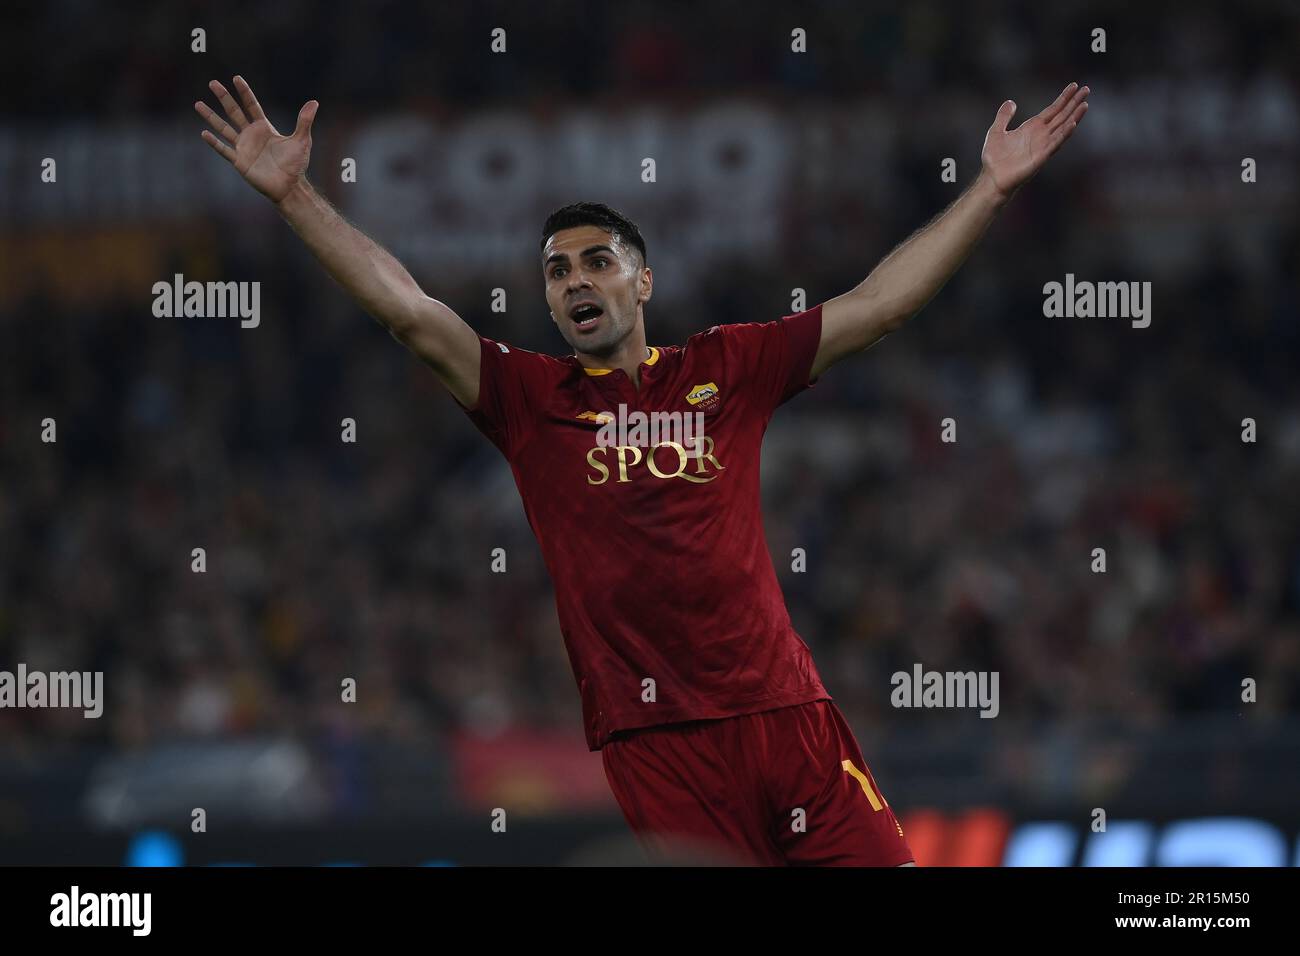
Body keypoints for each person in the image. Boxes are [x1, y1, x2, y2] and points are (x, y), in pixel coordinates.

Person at [195, 75, 1088, 865]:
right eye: (555, 272)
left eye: (595, 261)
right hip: (657, 743)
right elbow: (410, 312)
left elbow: (880, 305)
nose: (574, 280)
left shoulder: (727, 368)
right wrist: (295, 198)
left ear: (643, 282)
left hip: (787, 716)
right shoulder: (526, 398)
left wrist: (989, 191)